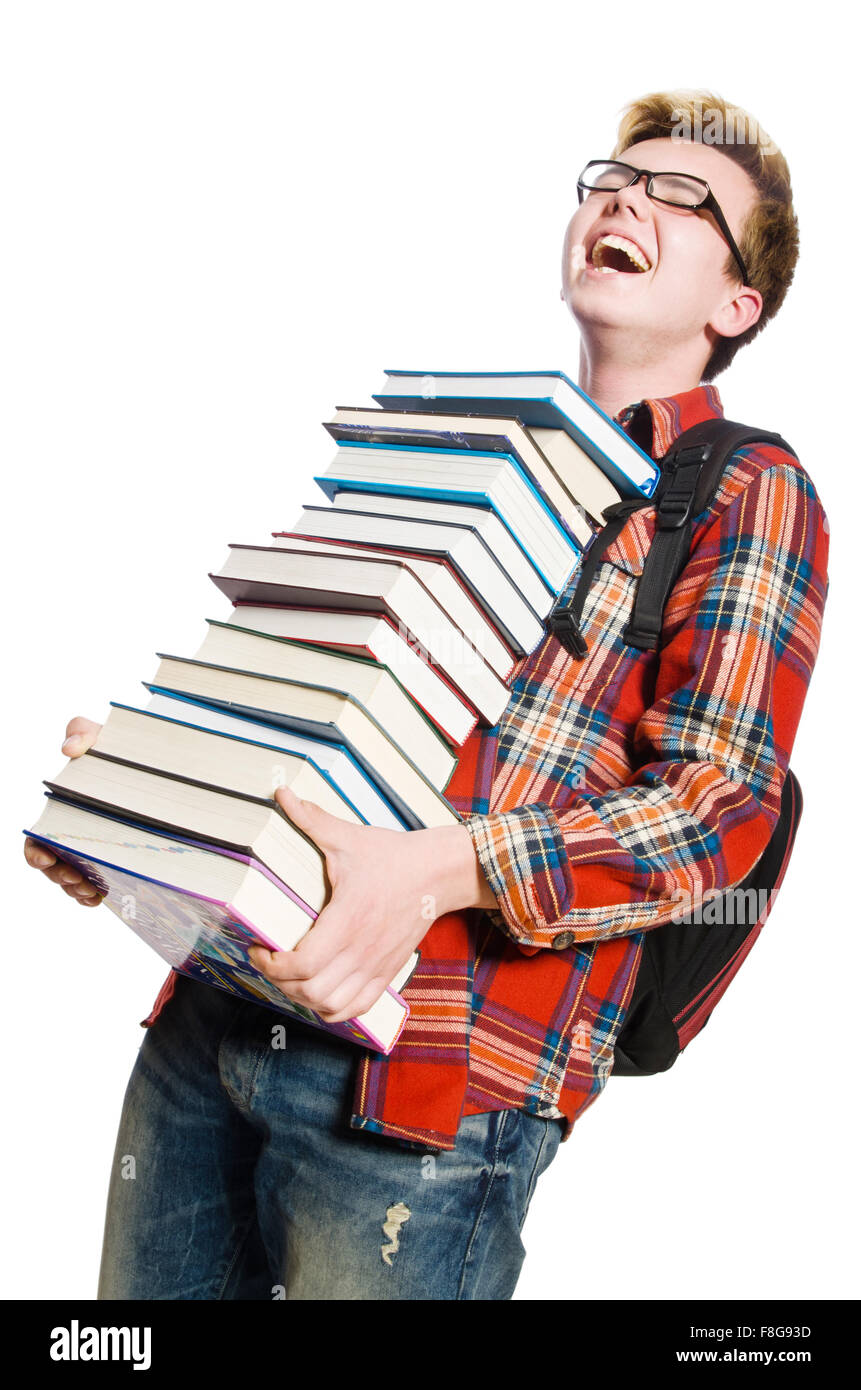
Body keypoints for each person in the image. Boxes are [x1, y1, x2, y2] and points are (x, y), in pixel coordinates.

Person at [23, 89, 829, 1300]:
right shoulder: (465, 443)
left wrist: (439, 871)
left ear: (736, 305)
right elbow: (311, 699)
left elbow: (721, 809)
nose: (622, 198)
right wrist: (157, 805)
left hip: (430, 1094)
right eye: (612, 177)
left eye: (680, 196)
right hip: (216, 1026)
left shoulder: (745, 489)